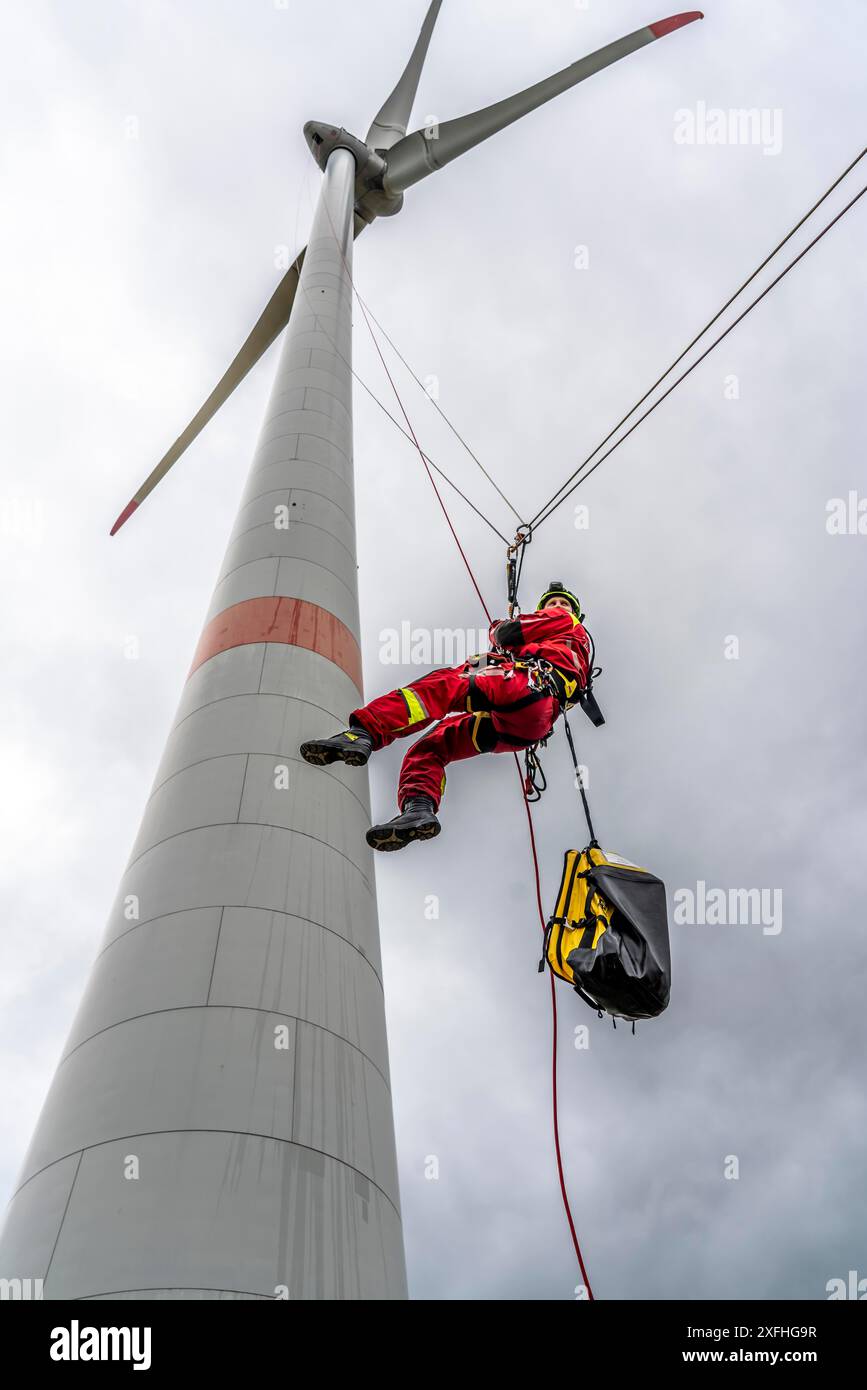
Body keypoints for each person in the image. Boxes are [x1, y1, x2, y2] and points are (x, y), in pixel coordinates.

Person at [300, 581, 591, 851]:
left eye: (563, 604)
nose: (557, 606)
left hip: (524, 687)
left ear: (573, 613)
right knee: (431, 747)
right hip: (526, 724)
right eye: (552, 602)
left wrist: (500, 629)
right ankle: (419, 809)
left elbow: (506, 634)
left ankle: (364, 732)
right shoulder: (571, 649)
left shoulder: (565, 622)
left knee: (439, 688)